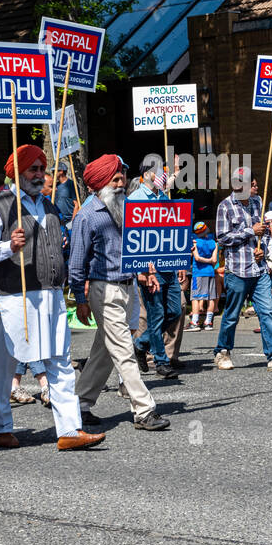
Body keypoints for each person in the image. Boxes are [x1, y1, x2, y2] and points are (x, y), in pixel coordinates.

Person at [0, 143, 104, 452]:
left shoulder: (50, 207)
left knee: (58, 360)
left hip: (50, 295)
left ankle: (70, 428)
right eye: (32, 169)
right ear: (17, 173)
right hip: (13, 296)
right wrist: (8, 246)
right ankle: (2, 426)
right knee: (6, 363)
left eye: (40, 169)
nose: (38, 174)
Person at [70, 154, 171, 430]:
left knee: (104, 351)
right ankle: (144, 411)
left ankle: (79, 404)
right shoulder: (87, 216)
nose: (121, 183)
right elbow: (77, 263)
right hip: (104, 290)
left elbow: (135, 248)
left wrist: (146, 272)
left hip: (128, 286)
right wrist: (80, 298)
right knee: (124, 350)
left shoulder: (126, 208)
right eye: (114, 179)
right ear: (100, 183)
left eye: (121, 177)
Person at [211, 167, 272, 373]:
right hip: (237, 270)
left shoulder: (257, 202)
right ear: (237, 185)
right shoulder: (225, 206)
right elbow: (222, 237)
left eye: (255, 183)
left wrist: (263, 249)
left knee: (267, 312)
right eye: (251, 184)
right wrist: (251, 231)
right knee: (232, 315)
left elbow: (265, 233)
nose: (256, 186)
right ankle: (222, 351)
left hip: (258, 270)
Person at [128, 166, 185, 377]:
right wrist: (142, 267)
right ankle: (161, 362)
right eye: (157, 172)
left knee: (175, 311)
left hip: (169, 264)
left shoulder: (164, 197)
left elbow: (173, 231)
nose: (162, 176)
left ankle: (141, 344)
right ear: (145, 176)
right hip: (151, 267)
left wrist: (180, 262)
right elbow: (133, 236)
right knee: (156, 315)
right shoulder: (135, 199)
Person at [190, 222, 218, 330]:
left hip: (198, 273)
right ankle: (208, 322)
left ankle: (195, 322)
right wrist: (210, 261)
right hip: (210, 272)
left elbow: (196, 258)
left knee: (196, 298)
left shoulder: (195, 242)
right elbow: (214, 261)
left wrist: (205, 260)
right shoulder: (214, 243)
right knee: (211, 297)